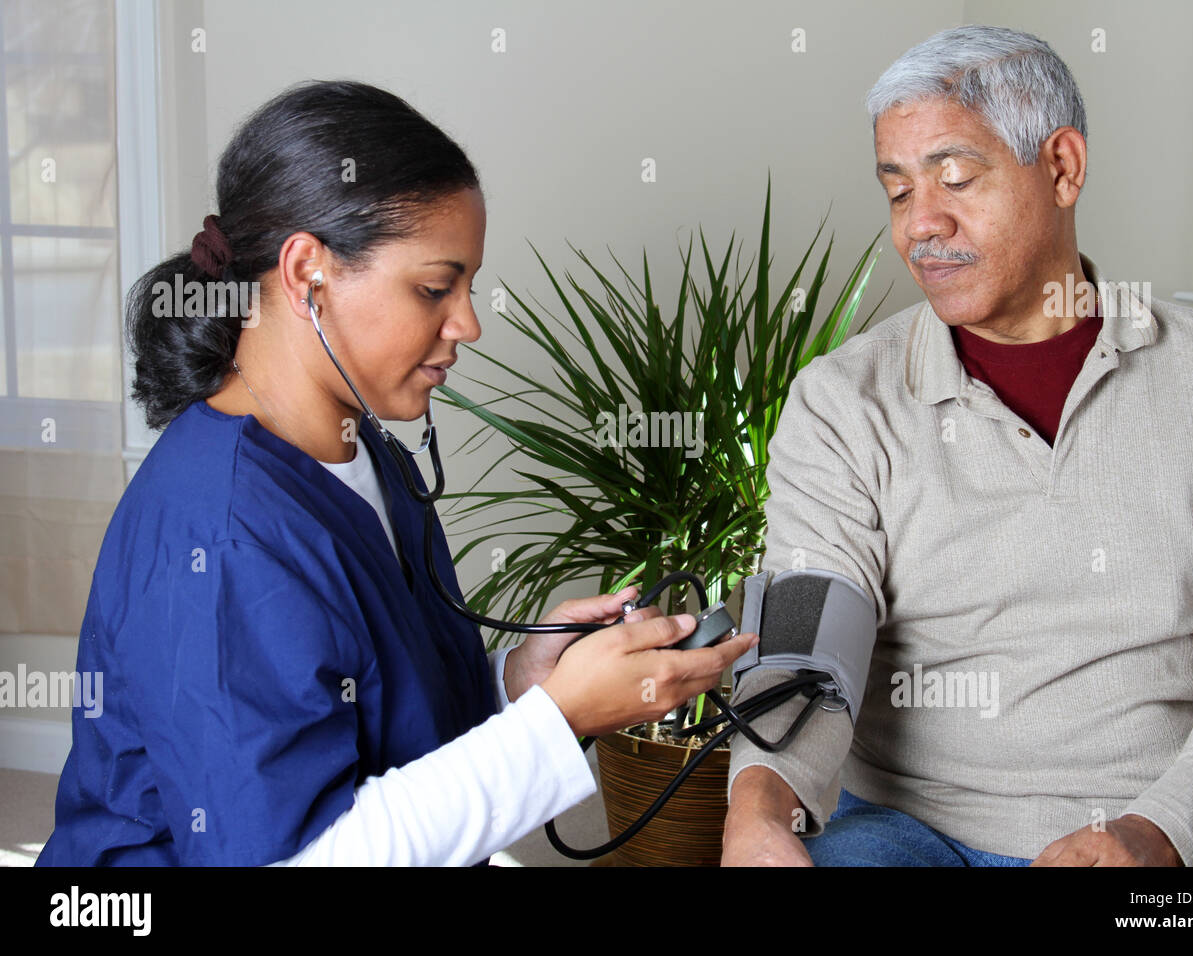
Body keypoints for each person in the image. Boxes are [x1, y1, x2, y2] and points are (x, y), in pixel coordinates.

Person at [36, 80, 756, 866]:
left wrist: (516, 684)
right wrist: (557, 720)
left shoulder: (367, 453)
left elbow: (375, 715)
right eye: (434, 288)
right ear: (308, 271)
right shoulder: (222, 535)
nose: (469, 324)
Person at [721, 25, 1193, 867]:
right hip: (904, 835)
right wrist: (760, 809)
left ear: (1062, 167)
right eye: (896, 192)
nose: (922, 225)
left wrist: (1158, 833)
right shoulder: (844, 401)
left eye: (956, 178)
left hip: (1162, 839)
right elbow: (809, 629)